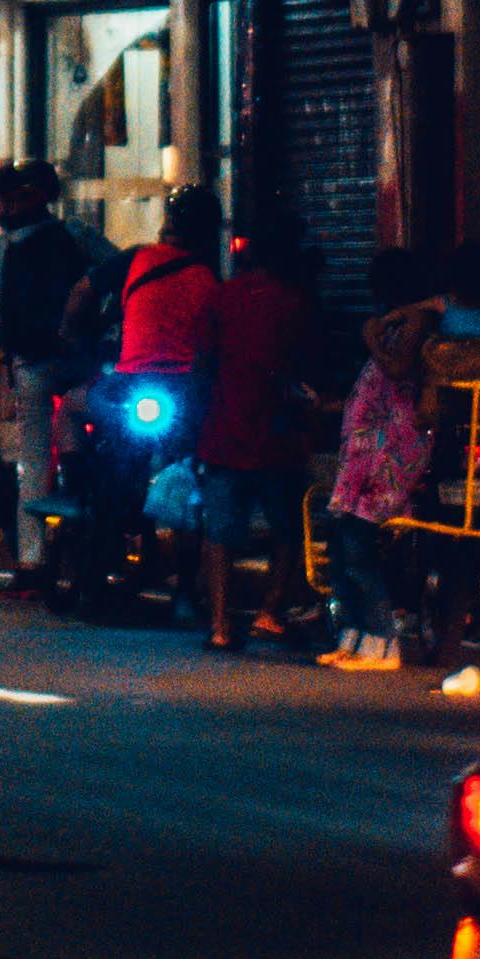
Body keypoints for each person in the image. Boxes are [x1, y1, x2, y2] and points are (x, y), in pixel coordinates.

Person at [191, 215, 318, 655]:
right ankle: (269, 611)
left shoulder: (220, 298)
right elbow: (302, 364)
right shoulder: (294, 302)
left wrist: (195, 423)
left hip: (225, 429)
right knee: (287, 528)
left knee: (220, 531)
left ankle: (221, 626)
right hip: (277, 432)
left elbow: (202, 365)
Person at [0, 158, 111, 580]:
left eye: (7, 196)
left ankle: (32, 560)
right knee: (106, 440)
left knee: (34, 459)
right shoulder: (77, 235)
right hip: (83, 360)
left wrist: (10, 351)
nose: (0, 205)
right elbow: (115, 274)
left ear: (30, 197)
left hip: (33, 364)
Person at [321, 273, 441, 667]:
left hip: (387, 452)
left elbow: (397, 369)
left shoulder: (416, 322)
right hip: (364, 453)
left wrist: (370, 336)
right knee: (341, 548)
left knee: (358, 550)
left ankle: (381, 641)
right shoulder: (401, 321)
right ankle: (353, 634)